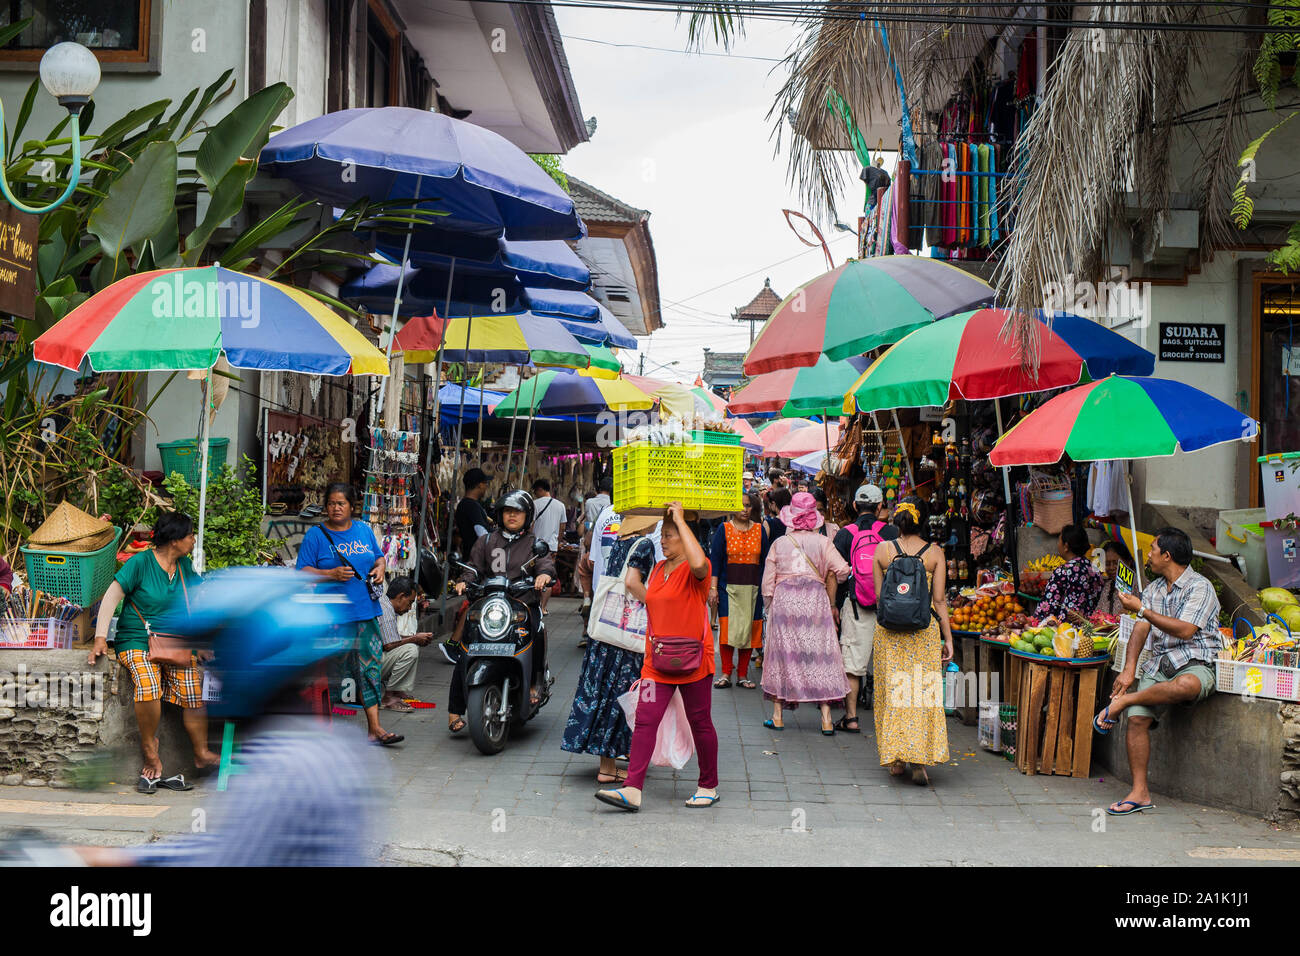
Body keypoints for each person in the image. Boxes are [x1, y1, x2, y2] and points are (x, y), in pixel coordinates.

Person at [77, 568, 386, 866]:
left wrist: (118, 859)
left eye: (221, 656)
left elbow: (225, 857)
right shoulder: (338, 749)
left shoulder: (278, 767)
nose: (216, 673)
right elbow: (242, 842)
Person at [595, 503, 719, 812]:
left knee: (700, 721)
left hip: (694, 664)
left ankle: (709, 785)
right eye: (662, 535)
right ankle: (632, 789)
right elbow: (648, 599)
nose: (662, 541)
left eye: (670, 535)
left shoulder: (697, 572)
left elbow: (700, 563)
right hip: (656, 666)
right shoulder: (661, 570)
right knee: (646, 720)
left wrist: (679, 517)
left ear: (686, 536)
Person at [88, 512, 219, 793]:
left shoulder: (184, 566)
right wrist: (100, 638)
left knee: (193, 690)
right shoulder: (141, 562)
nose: (193, 539)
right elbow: (112, 595)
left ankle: (201, 753)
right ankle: (150, 748)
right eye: (190, 535)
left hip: (174, 641)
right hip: (136, 639)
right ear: (174, 540)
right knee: (148, 685)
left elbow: (198, 602)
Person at [1095, 528, 1221, 816]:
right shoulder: (1152, 589)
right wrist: (1128, 671)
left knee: (1187, 684)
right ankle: (1139, 792)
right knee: (1137, 719)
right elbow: (1141, 629)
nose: (1148, 554)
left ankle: (1124, 701)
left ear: (1167, 555)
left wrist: (1143, 611)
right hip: (1161, 665)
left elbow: (1186, 630)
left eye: (1152, 549)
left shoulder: (1200, 588)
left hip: (1197, 662)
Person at [296, 483, 402, 747]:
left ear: (352, 506)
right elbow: (301, 572)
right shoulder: (316, 535)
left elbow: (378, 558)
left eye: (341, 503)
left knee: (370, 668)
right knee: (332, 671)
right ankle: (328, 731)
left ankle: (374, 728)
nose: (335, 508)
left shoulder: (364, 530)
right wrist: (330, 574)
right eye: (331, 503)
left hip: (365, 612)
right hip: (332, 616)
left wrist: (380, 569)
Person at [562, 518, 662, 784]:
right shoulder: (643, 544)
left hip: (607, 633)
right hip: (625, 639)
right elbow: (631, 582)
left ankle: (609, 763)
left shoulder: (621, 541)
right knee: (623, 693)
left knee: (604, 691)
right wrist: (654, 603)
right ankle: (609, 766)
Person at [450, 490, 555, 732]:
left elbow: (546, 565)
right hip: (491, 607)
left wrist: (543, 575)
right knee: (466, 645)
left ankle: (533, 685)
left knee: (537, 630)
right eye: (507, 511)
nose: (512, 516)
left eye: (517, 512)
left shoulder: (533, 544)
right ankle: (454, 708)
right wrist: (464, 580)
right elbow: (473, 568)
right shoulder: (486, 541)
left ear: (527, 516)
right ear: (499, 514)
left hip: (523, 604)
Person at [871, 497, 954, 786]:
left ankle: (896, 760)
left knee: (892, 693)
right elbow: (940, 600)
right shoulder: (935, 553)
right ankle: (919, 759)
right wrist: (949, 639)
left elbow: (881, 599)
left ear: (897, 521)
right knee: (920, 694)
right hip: (924, 632)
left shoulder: (882, 550)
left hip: (890, 634)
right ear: (924, 521)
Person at [760, 492, 851, 734]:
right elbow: (842, 571)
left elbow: (768, 584)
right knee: (820, 656)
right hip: (815, 603)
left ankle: (778, 717)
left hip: (785, 604)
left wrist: (770, 607)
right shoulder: (823, 542)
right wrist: (821, 578)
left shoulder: (779, 544)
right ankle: (826, 719)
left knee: (783, 656)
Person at [832, 484, 898, 730]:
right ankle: (889, 720)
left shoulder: (844, 534)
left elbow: (835, 576)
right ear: (881, 506)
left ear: (855, 506)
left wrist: (834, 605)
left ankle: (851, 718)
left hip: (856, 605)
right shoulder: (892, 533)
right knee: (887, 664)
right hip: (889, 608)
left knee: (853, 663)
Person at [709, 492, 769, 689]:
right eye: (741, 505)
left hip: (753, 589)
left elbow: (765, 563)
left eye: (748, 505)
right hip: (728, 588)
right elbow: (716, 562)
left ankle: (743, 675)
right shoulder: (723, 529)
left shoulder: (760, 530)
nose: (745, 509)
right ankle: (726, 672)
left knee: (749, 630)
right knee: (727, 629)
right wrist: (713, 588)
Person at [378, 576, 433, 712]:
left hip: (370, 660)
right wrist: (414, 638)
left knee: (410, 646)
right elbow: (389, 645)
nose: (409, 608)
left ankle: (397, 692)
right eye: (409, 603)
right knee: (410, 650)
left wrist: (415, 638)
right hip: (368, 666)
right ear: (401, 596)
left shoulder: (386, 606)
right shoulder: (385, 609)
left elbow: (390, 638)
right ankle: (389, 697)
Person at [1036, 524, 1104, 620]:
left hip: (1067, 628)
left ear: (1066, 546)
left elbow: (1048, 606)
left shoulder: (1062, 571)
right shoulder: (1094, 570)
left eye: (1059, 540)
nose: (1058, 544)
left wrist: (1035, 621)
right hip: (1090, 625)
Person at [530, 478, 568, 616]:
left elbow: (531, 525)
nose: (535, 494)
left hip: (535, 546)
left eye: (535, 491)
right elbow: (562, 527)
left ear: (540, 489)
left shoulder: (534, 504)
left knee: (534, 575)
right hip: (552, 547)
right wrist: (558, 542)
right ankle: (543, 607)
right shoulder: (560, 505)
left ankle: (535, 606)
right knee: (548, 577)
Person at [453, 467, 493, 553]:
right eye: (485, 483)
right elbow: (481, 533)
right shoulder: (471, 506)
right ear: (479, 485)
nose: (486, 486)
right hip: (475, 560)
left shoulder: (465, 504)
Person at [1096, 540, 1136, 617]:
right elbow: (1098, 615)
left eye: (1116, 563)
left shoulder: (1138, 585)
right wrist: (1082, 619)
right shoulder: (1108, 586)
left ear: (1128, 562)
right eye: (1107, 564)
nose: (1111, 567)